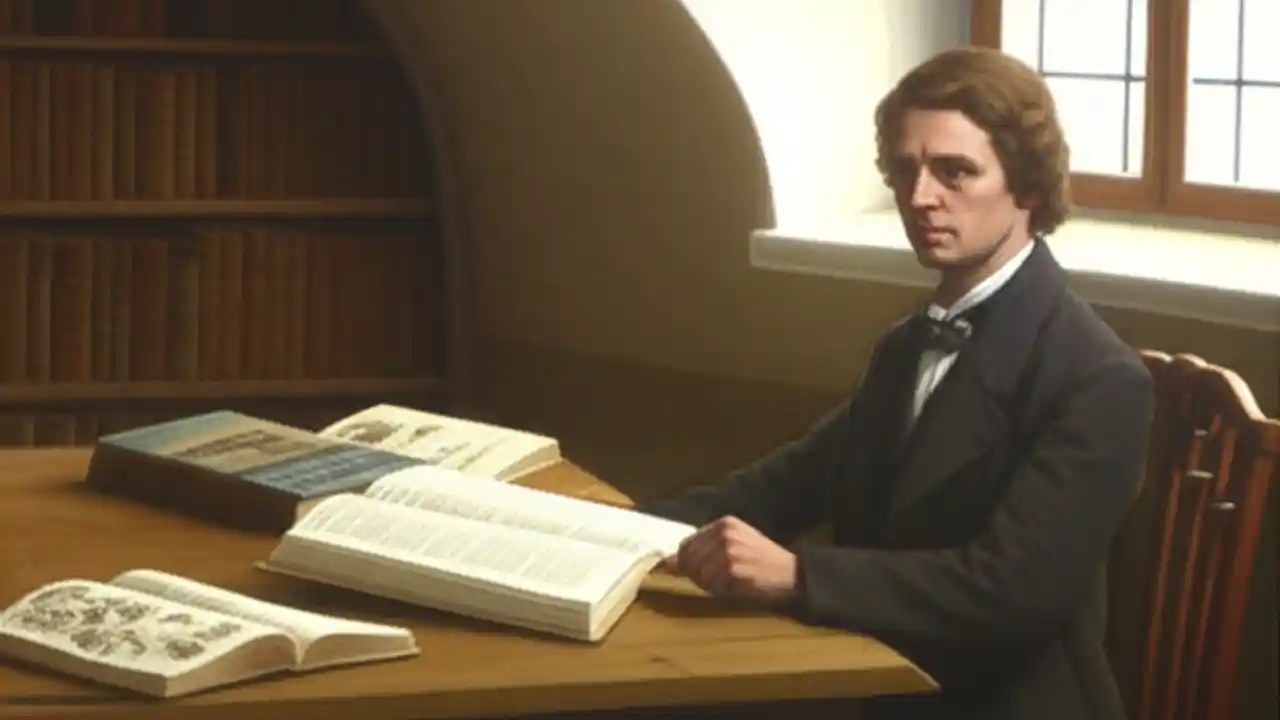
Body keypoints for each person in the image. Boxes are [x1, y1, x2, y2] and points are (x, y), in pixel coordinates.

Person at [637, 47, 1154, 720]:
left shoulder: (1101, 379)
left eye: (954, 172)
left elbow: (1011, 592)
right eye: (906, 170)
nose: (919, 198)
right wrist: (608, 530)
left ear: (1027, 186)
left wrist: (797, 575)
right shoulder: (908, 344)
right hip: (881, 672)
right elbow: (785, 483)